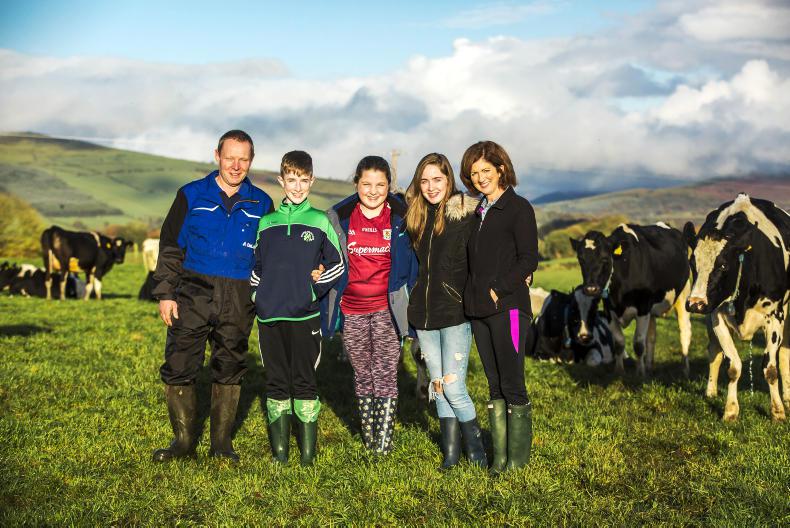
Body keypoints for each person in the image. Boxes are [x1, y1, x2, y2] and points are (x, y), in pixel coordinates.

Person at [152, 130, 273, 463]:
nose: (235, 166)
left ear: (251, 161)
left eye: (243, 159)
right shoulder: (191, 195)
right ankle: (183, 443)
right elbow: (171, 246)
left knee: (230, 364)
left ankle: (221, 445)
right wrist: (166, 293)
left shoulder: (262, 203)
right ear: (217, 155)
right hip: (192, 291)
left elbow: (271, 253)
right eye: (229, 157)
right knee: (180, 363)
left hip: (239, 294)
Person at [250, 150, 344, 466]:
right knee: (276, 381)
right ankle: (280, 455)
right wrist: (258, 296)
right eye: (292, 180)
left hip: (305, 316)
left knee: (304, 380)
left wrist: (312, 291)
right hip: (269, 317)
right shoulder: (267, 223)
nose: (298, 187)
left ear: (312, 181)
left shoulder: (319, 221)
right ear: (282, 181)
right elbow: (256, 268)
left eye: (303, 180)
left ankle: (307, 457)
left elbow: (337, 264)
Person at [321, 155, 417, 454]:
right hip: (351, 309)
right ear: (356, 184)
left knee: (385, 372)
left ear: (389, 186)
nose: (373, 191)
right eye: (366, 184)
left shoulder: (402, 217)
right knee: (363, 373)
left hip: (387, 309)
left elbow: (413, 262)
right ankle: (369, 437)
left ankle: (383, 444)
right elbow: (327, 256)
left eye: (380, 185)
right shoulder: (338, 217)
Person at [460, 140, 539, 473]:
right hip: (478, 311)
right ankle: (500, 458)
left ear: (501, 169)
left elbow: (528, 259)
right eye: (474, 173)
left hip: (510, 309)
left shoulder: (519, 208)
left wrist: (498, 289)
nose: (481, 178)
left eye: (486, 170)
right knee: (493, 384)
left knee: (512, 383)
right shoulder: (477, 211)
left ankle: (517, 463)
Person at [405, 153, 486, 470]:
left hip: (455, 313)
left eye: (437, 179)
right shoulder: (417, 218)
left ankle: (476, 452)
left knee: (453, 385)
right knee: (437, 387)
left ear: (448, 179)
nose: (431, 187)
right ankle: (451, 454)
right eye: (424, 181)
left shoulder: (465, 215)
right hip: (424, 315)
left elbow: (486, 255)